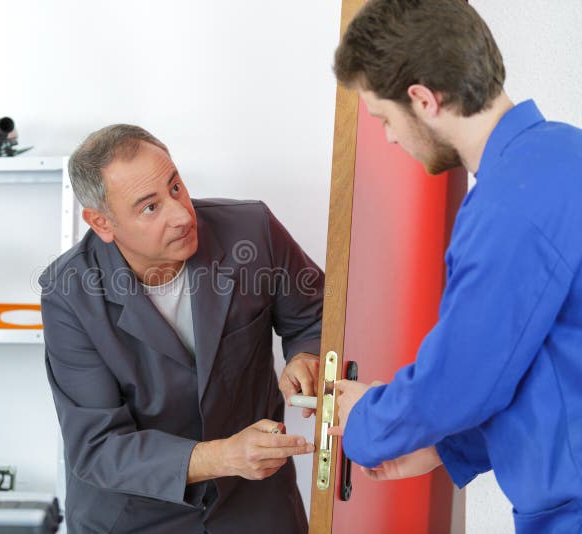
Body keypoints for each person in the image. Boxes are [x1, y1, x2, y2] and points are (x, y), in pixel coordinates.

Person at [328, 1, 582, 532]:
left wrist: (363, 424)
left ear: (422, 100)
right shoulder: (563, 154)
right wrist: (449, 450)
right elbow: (539, 366)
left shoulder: (509, 205)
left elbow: (460, 378)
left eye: (384, 119)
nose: (390, 138)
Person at [40, 124, 323, 533]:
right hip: (135, 515)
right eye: (150, 207)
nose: (181, 215)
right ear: (101, 223)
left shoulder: (253, 230)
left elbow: (314, 312)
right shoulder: (68, 294)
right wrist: (224, 456)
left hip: (255, 505)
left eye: (176, 187)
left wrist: (305, 355)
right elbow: (98, 447)